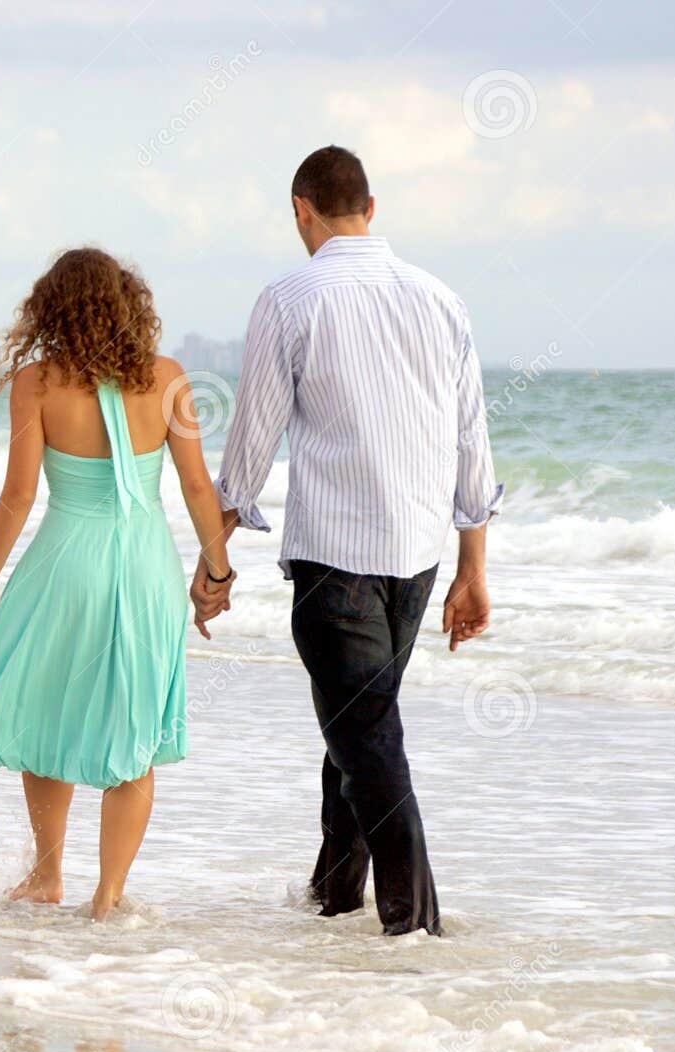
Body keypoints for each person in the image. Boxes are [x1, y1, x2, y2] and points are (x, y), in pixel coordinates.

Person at [195, 146, 503, 936]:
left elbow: (252, 440)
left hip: (336, 561)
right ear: (372, 207)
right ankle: (333, 895)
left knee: (366, 736)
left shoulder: (290, 296)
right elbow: (472, 437)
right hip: (419, 556)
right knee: (358, 730)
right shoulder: (442, 298)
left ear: (302, 210)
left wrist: (214, 555)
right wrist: (474, 569)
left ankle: (414, 926)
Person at [0, 247, 233, 921]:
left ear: (49, 309)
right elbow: (197, 483)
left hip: (65, 564)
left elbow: (17, 494)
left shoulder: (36, 382)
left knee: (44, 707)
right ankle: (107, 896)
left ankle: (48, 876)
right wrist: (217, 569)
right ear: (127, 301)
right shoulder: (168, 378)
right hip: (143, 568)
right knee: (132, 726)